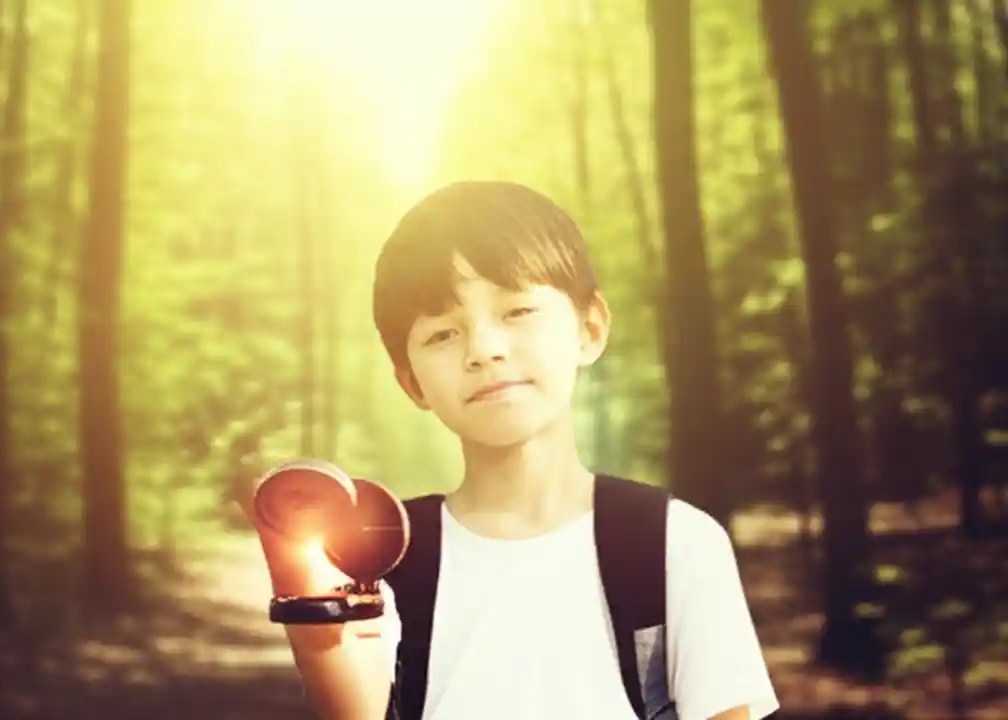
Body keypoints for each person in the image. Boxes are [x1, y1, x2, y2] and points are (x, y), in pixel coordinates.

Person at [244, 181, 779, 719]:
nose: (485, 350)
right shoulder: (383, 559)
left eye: (517, 311)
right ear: (412, 383)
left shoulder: (675, 543)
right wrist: (316, 624)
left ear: (589, 329)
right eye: (442, 334)